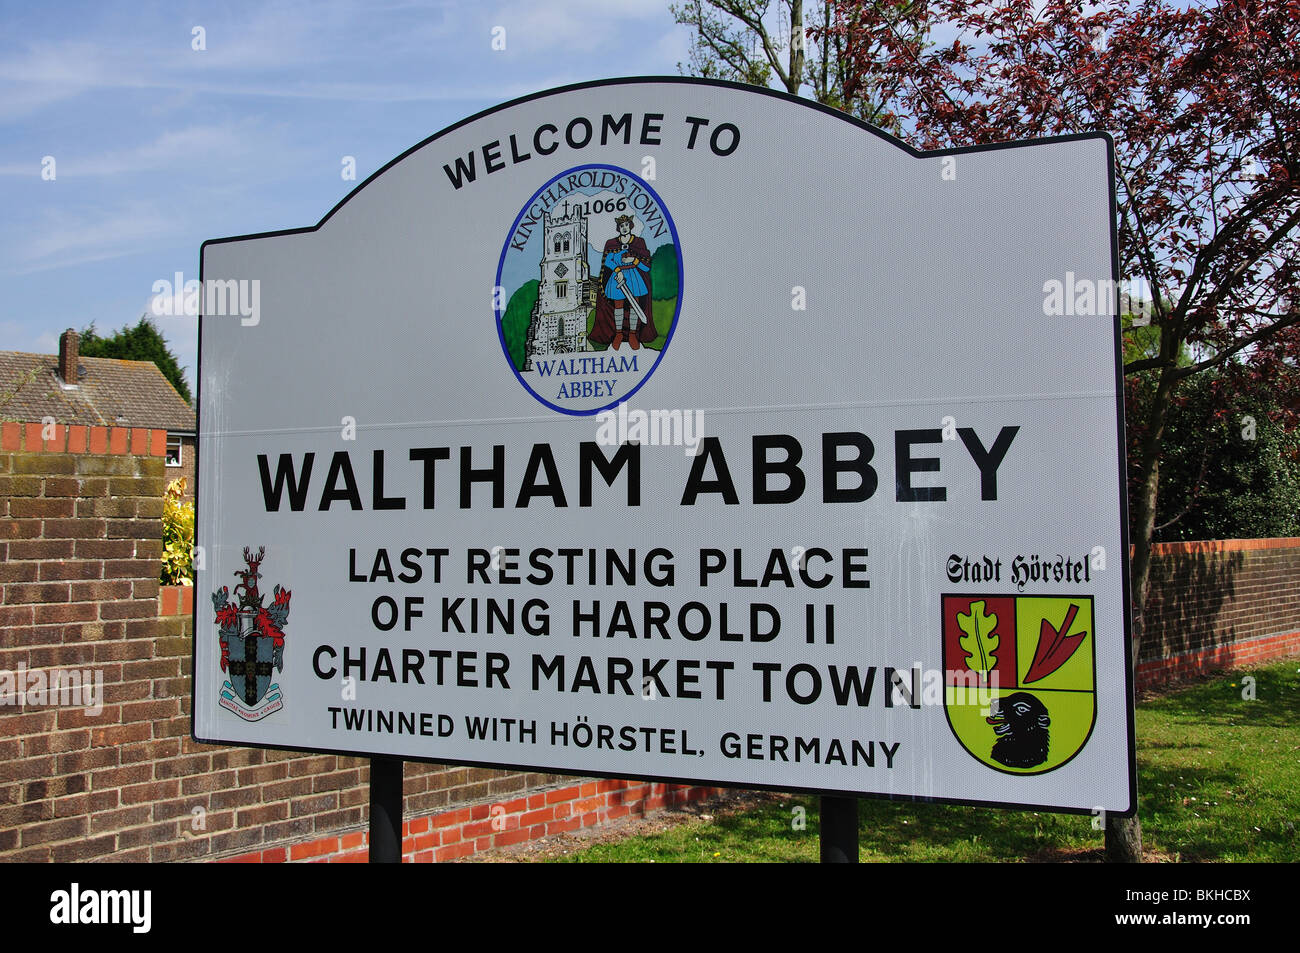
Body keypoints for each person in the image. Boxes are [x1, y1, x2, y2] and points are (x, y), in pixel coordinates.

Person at [590, 214, 657, 350]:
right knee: (618, 306)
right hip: (617, 278)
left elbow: (646, 267)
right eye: (622, 226)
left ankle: (633, 334)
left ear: (630, 226)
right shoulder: (612, 244)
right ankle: (618, 334)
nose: (624, 228)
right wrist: (617, 270)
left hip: (634, 278)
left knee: (634, 306)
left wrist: (634, 260)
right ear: (618, 227)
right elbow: (608, 261)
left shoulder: (639, 243)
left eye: (626, 225)